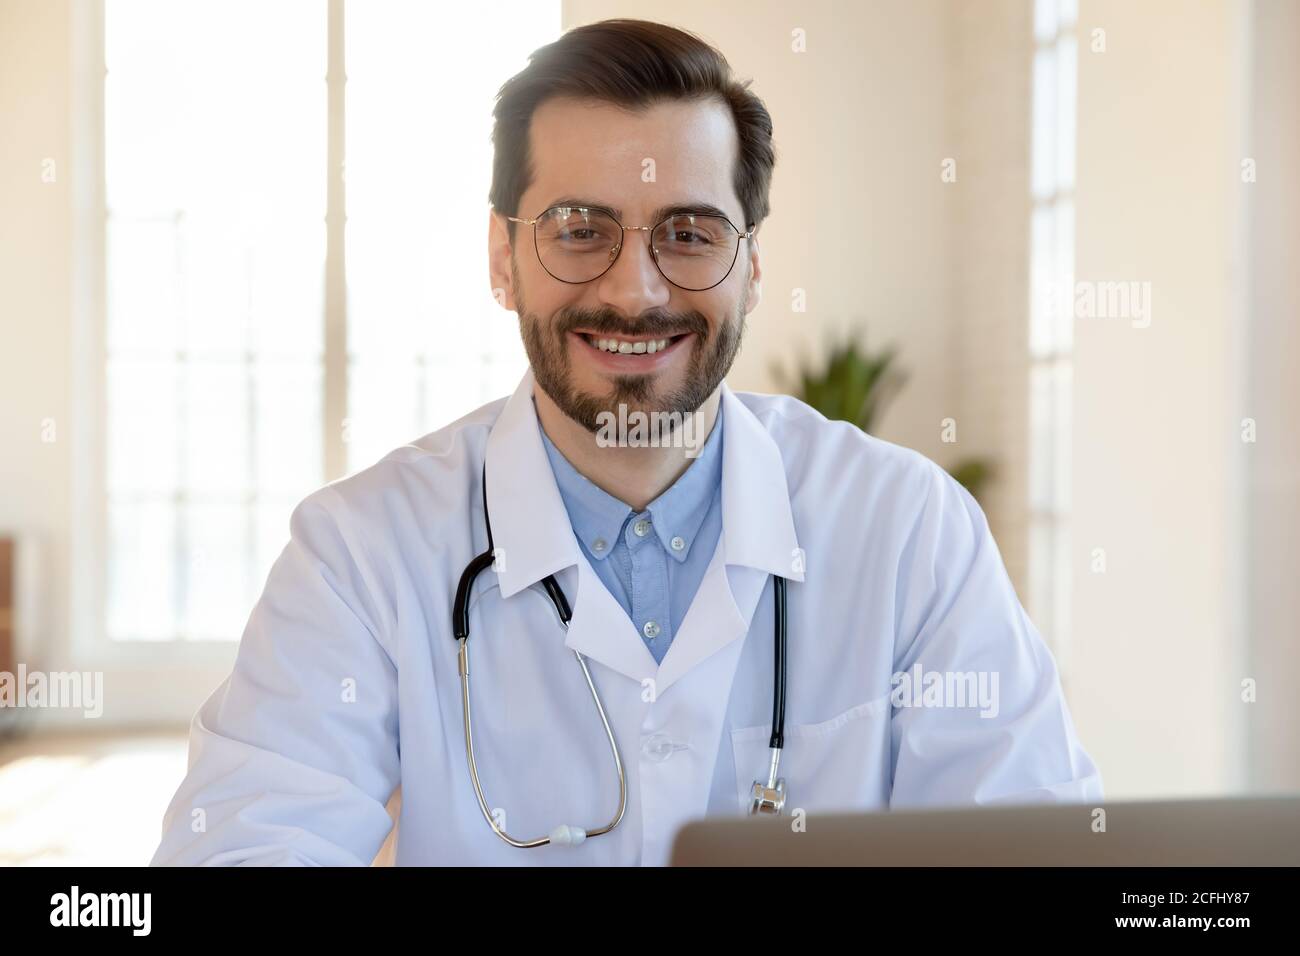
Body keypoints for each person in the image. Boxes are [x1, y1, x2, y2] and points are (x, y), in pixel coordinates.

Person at [151, 17, 1101, 867]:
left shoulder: (907, 529)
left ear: (753, 266)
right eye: (578, 230)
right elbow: (241, 847)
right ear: (502, 258)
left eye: (687, 233)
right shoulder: (360, 553)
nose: (636, 291)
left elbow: (1034, 846)